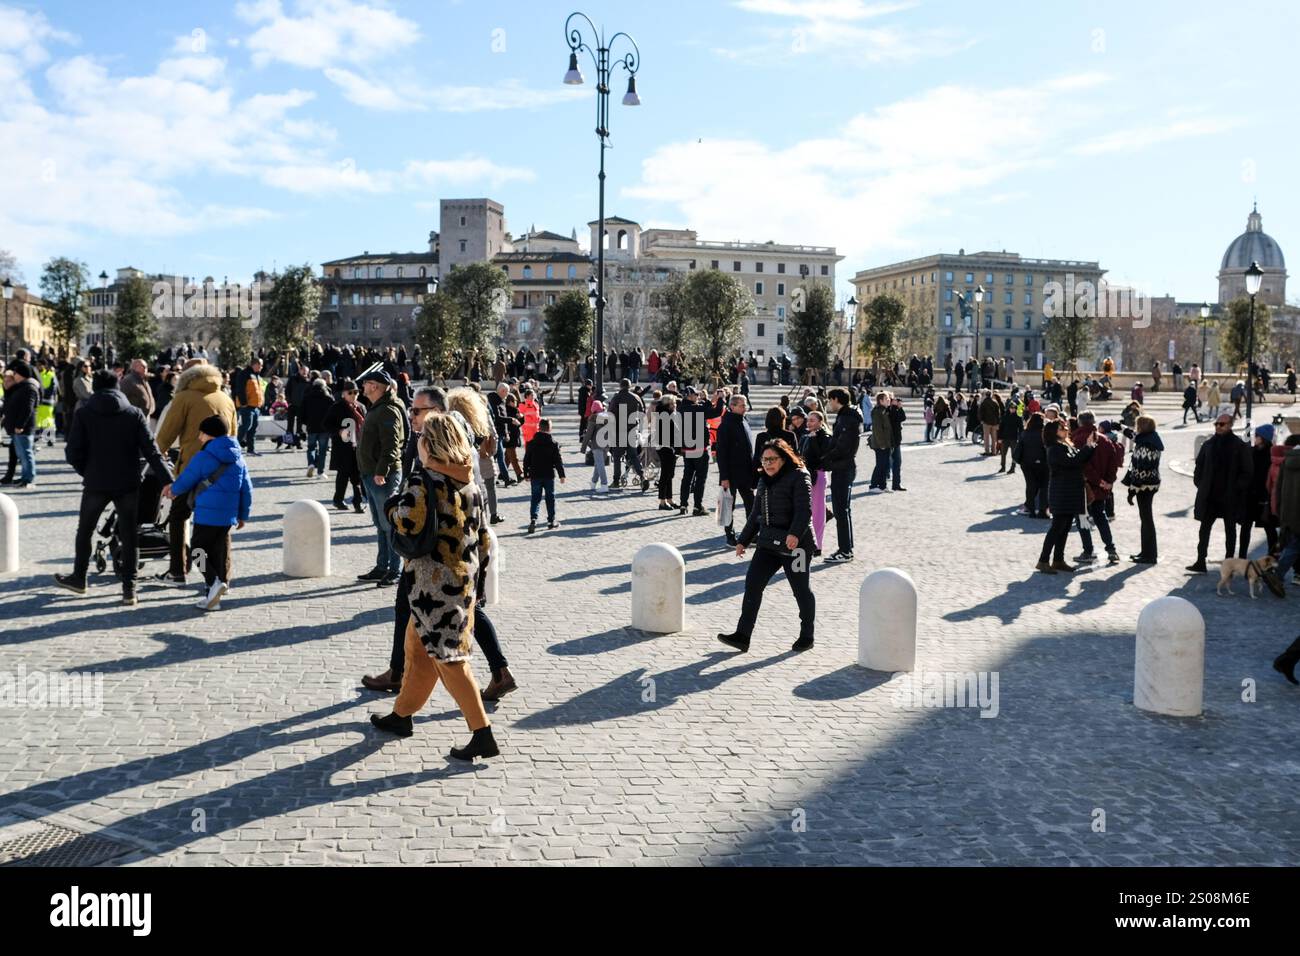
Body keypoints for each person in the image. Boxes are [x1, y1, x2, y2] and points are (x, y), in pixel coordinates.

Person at [370, 412, 499, 761]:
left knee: (450, 659)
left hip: (431, 585)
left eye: (422, 440)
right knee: (418, 650)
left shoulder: (424, 480)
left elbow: (407, 521)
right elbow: (485, 537)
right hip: (462, 580)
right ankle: (401, 715)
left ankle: (481, 732)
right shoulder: (470, 482)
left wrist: (393, 505)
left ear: (430, 444)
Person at [55, 370, 174, 605]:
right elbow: (152, 452)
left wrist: (86, 471)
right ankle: (129, 589)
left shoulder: (85, 413)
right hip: (127, 482)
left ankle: (79, 578)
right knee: (129, 536)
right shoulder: (134, 413)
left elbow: (72, 452)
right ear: (118, 386)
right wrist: (169, 480)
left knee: (85, 531)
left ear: (96, 387)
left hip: (96, 482)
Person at [717, 438, 816, 653]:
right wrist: (743, 539)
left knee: (800, 590)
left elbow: (804, 510)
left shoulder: (800, 476)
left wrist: (794, 534)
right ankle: (742, 635)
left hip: (797, 546)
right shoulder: (763, 480)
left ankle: (807, 635)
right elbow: (756, 514)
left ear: (784, 459)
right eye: (764, 459)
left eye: (772, 459)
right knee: (752, 584)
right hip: (768, 542)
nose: (768, 464)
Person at [153, 360, 238, 586]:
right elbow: (234, 436)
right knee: (221, 524)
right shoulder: (226, 399)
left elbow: (165, 436)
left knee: (178, 517)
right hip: (222, 472)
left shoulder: (184, 398)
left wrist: (154, 456)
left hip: (192, 468)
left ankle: (178, 571)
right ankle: (223, 577)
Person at [164, 416, 252, 611]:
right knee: (215, 552)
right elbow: (247, 488)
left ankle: (213, 582)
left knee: (197, 551)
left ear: (209, 434)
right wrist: (242, 514)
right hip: (227, 516)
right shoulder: (239, 458)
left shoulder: (204, 456)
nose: (199, 437)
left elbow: (188, 479)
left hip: (206, 515)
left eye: (201, 433)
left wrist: (173, 489)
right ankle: (213, 597)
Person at [355, 369, 407, 587]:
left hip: (381, 475)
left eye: (366, 383)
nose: (363, 387)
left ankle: (395, 570)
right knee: (380, 523)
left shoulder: (387, 410)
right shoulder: (377, 407)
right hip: (371, 473)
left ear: (375, 386)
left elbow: (391, 446)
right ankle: (382, 566)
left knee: (390, 524)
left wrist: (381, 471)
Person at [1187, 413, 1252, 573]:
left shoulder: (1239, 446)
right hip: (1210, 496)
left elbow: (1247, 471)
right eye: (1216, 424)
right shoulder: (1208, 444)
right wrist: (1200, 483)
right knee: (1204, 530)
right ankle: (1200, 561)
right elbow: (1199, 466)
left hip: (1230, 497)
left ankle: (1229, 564)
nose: (1218, 427)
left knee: (1230, 531)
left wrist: (1237, 488)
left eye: (1222, 424)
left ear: (1230, 425)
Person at [1036, 421, 1096, 574]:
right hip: (1061, 493)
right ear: (1053, 432)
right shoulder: (1054, 449)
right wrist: (1087, 447)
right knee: (1056, 528)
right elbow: (1072, 462)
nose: (1066, 429)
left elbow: (1079, 461)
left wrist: (1090, 447)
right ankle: (1043, 560)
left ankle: (1058, 560)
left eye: (1065, 427)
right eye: (1062, 428)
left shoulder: (1066, 446)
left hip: (1070, 492)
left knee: (1065, 528)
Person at [1071, 413, 1121, 566]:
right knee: (1101, 517)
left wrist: (1100, 481)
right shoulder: (1105, 439)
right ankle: (1111, 549)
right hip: (1101, 486)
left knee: (1082, 519)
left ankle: (1088, 551)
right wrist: (1109, 481)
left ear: (1080, 422)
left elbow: (1082, 464)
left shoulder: (1078, 439)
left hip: (1084, 486)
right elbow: (1114, 461)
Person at [822, 387, 863, 562]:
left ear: (836, 399)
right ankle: (847, 548)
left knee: (840, 510)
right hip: (844, 467)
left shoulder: (846, 418)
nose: (828, 403)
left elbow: (842, 446)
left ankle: (845, 550)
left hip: (843, 468)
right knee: (843, 510)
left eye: (829, 400)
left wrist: (825, 459)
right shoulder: (847, 416)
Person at [1121, 415, 1164, 564]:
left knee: (1146, 519)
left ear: (1142, 427)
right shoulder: (1151, 438)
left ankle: (1149, 555)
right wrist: (1120, 427)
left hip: (1145, 486)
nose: (1136, 427)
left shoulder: (1145, 444)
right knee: (1146, 519)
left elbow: (1141, 470)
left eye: (1137, 425)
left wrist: (1133, 489)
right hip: (1151, 484)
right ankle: (1146, 551)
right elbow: (1133, 435)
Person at [715, 393, 756, 547]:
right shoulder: (725, 425)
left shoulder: (744, 421)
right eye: (742, 405)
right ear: (732, 407)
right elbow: (721, 453)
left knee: (751, 504)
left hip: (746, 472)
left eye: (745, 405)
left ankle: (751, 534)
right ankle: (729, 535)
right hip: (730, 474)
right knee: (728, 506)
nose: (745, 408)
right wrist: (724, 476)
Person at [323, 379, 366, 512]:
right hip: (343, 448)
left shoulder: (361, 407)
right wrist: (339, 431)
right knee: (343, 475)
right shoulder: (337, 407)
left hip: (358, 447)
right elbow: (326, 424)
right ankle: (338, 500)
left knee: (357, 476)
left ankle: (357, 503)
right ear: (344, 394)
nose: (354, 395)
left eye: (356, 392)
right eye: (350, 392)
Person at [1240, 424, 1279, 557]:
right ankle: (1242, 557)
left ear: (1263, 438)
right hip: (1250, 496)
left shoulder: (1272, 455)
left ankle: (1272, 557)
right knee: (1245, 527)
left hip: (1265, 498)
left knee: (1270, 529)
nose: (1254, 438)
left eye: (1257, 435)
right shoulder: (1251, 452)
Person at [523, 416, 565, 533]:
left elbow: (527, 459)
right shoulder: (553, 444)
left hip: (535, 474)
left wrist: (526, 473)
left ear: (539, 428)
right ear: (549, 429)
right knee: (550, 498)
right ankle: (551, 521)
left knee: (535, 498)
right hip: (548, 475)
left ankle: (533, 520)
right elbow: (558, 460)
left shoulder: (531, 443)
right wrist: (562, 475)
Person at [1, 361, 39, 488]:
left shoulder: (29, 388)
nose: (14, 375)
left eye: (16, 373)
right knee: (22, 454)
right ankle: (24, 476)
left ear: (21, 374)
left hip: (24, 428)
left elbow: (27, 409)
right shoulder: (22, 386)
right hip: (18, 427)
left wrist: (20, 425)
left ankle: (29, 478)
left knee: (26, 453)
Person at [800, 410, 832, 556]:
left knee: (818, 511)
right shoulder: (806, 435)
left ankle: (817, 545)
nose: (809, 423)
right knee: (806, 510)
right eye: (808, 420)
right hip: (807, 475)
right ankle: (808, 541)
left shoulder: (824, 436)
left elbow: (821, 456)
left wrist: (813, 439)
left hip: (818, 475)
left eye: (813, 420)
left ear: (820, 421)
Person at [678, 386, 710, 515]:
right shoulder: (696, 408)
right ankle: (697, 506)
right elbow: (715, 411)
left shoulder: (680, 408)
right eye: (695, 395)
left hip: (686, 448)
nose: (697, 397)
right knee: (700, 478)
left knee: (687, 477)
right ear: (689, 396)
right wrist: (713, 399)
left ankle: (683, 505)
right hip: (699, 448)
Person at [300, 375, 333, 479]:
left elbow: (302, 413)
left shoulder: (307, 397)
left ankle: (311, 463)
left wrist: (306, 423)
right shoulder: (328, 398)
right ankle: (320, 472)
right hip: (324, 428)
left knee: (311, 448)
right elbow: (333, 413)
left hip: (311, 427)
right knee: (323, 450)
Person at [653, 393, 680, 511]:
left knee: (669, 474)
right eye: (673, 403)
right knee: (665, 475)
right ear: (668, 404)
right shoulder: (664, 415)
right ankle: (662, 501)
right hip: (665, 447)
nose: (675, 405)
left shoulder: (668, 414)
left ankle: (669, 499)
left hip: (670, 447)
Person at [234, 358, 265, 455]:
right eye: (260, 365)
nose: (261, 367)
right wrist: (243, 403)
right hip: (247, 406)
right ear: (254, 364)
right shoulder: (245, 374)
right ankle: (236, 448)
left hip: (256, 406)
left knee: (253, 428)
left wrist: (261, 403)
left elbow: (259, 391)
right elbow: (240, 389)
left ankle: (251, 449)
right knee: (245, 426)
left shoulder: (257, 376)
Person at [582, 399, 611, 492]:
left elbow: (588, 434)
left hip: (597, 444)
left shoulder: (593, 418)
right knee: (598, 464)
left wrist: (583, 447)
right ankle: (593, 482)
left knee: (600, 464)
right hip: (607, 444)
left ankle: (604, 484)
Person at [868, 392, 891, 491]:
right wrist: (882, 444)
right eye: (886, 399)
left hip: (887, 443)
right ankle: (873, 485)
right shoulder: (877, 411)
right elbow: (878, 430)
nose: (888, 400)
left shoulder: (885, 410)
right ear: (880, 401)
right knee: (880, 464)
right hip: (880, 443)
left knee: (885, 465)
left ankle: (883, 485)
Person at [998, 396, 1022, 474]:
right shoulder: (1005, 416)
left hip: (1014, 438)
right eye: (1011, 408)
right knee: (1003, 453)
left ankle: (1013, 467)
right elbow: (1001, 427)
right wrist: (999, 437)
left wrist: (1020, 438)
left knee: (1013, 454)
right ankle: (1003, 467)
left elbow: (1021, 429)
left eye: (1014, 408)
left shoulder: (1018, 418)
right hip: (1005, 437)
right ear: (1009, 408)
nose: (1013, 409)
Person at [887, 394, 906, 491]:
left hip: (896, 440)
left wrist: (900, 408)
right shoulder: (889, 410)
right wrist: (894, 407)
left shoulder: (894, 409)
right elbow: (895, 418)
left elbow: (903, 418)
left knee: (897, 462)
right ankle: (880, 483)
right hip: (891, 440)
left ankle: (896, 484)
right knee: (888, 462)